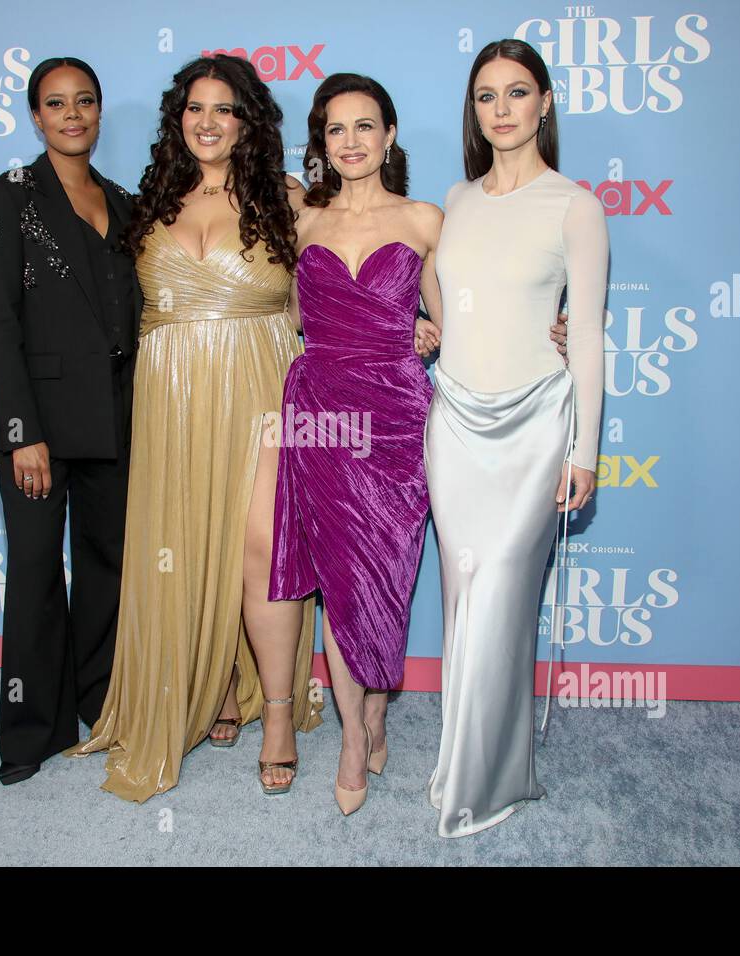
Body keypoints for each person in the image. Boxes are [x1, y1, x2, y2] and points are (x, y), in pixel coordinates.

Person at [66, 54, 323, 800]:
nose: (207, 122)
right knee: (189, 541)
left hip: (264, 385)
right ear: (178, 120)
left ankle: (275, 713)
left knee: (262, 545)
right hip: (172, 392)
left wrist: (403, 330)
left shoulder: (287, 199)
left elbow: (340, 283)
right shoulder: (148, 199)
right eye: (194, 109)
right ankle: (212, 684)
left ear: (249, 122)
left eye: (225, 110)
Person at [426, 38, 608, 836]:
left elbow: (591, 337)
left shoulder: (576, 206)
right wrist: (423, 324)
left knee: (501, 590)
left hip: (536, 424)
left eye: (518, 93)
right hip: (454, 422)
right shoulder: (456, 199)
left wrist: (586, 450)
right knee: (464, 596)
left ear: (543, 105)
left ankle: (489, 781)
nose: (502, 110)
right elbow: (434, 291)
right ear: (474, 111)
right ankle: (466, 760)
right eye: (487, 96)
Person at [269, 74, 441, 815]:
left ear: (391, 134)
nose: (351, 142)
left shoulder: (427, 219)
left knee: (387, 575)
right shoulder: (302, 220)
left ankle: (374, 709)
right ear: (319, 144)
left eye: (365, 126)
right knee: (340, 578)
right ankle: (349, 736)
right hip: (322, 414)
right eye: (335, 130)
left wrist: (550, 331)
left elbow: (467, 321)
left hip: (399, 415)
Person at [0, 57, 139, 785]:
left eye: (85, 101)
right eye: (56, 103)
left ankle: (98, 705)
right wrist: (21, 431)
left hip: (116, 419)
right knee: (38, 575)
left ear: (99, 112)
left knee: (107, 572)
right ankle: (28, 731)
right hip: (37, 425)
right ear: (35, 117)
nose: (73, 114)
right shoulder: (8, 196)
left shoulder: (125, 201)